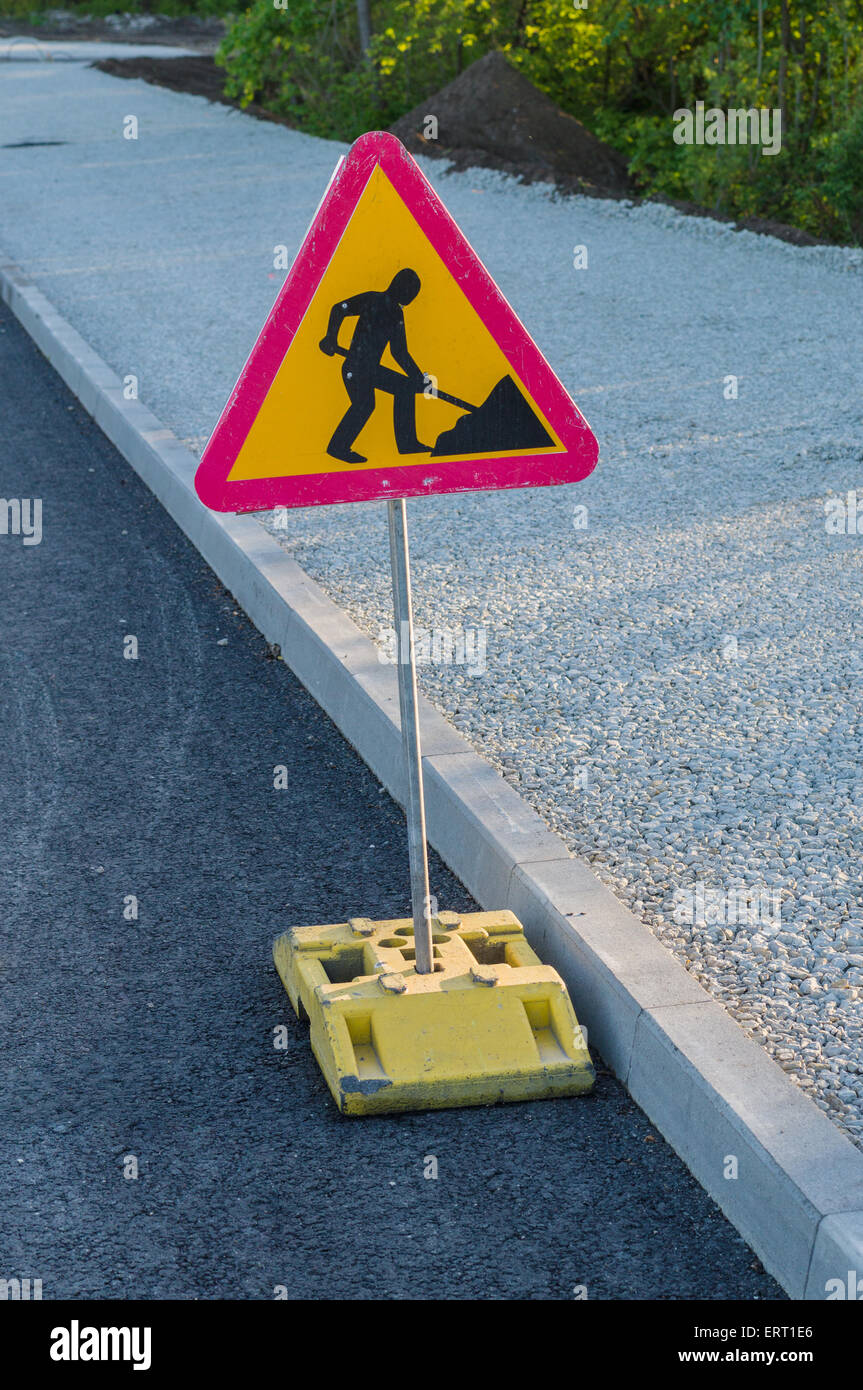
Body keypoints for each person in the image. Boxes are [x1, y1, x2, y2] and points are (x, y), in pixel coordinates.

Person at [319, 268, 431, 463]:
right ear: (402, 289)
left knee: (404, 389)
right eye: (411, 292)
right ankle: (338, 447)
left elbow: (399, 352)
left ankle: (407, 444)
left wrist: (417, 378)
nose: (411, 298)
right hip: (355, 367)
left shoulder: (392, 310)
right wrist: (331, 337)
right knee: (365, 404)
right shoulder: (374, 300)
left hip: (369, 370)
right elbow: (340, 308)